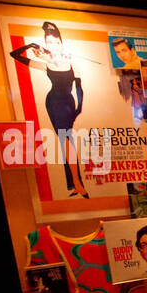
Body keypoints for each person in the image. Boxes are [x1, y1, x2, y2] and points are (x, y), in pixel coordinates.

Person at [10, 21, 88, 198]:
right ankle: (76, 184)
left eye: (56, 42)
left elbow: (79, 88)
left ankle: (76, 183)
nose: (53, 45)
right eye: (49, 42)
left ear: (61, 43)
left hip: (68, 103)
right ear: (46, 44)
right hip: (53, 103)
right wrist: (29, 46)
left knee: (67, 141)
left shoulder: (72, 61)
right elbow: (14, 54)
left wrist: (79, 108)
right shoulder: (45, 63)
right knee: (66, 142)